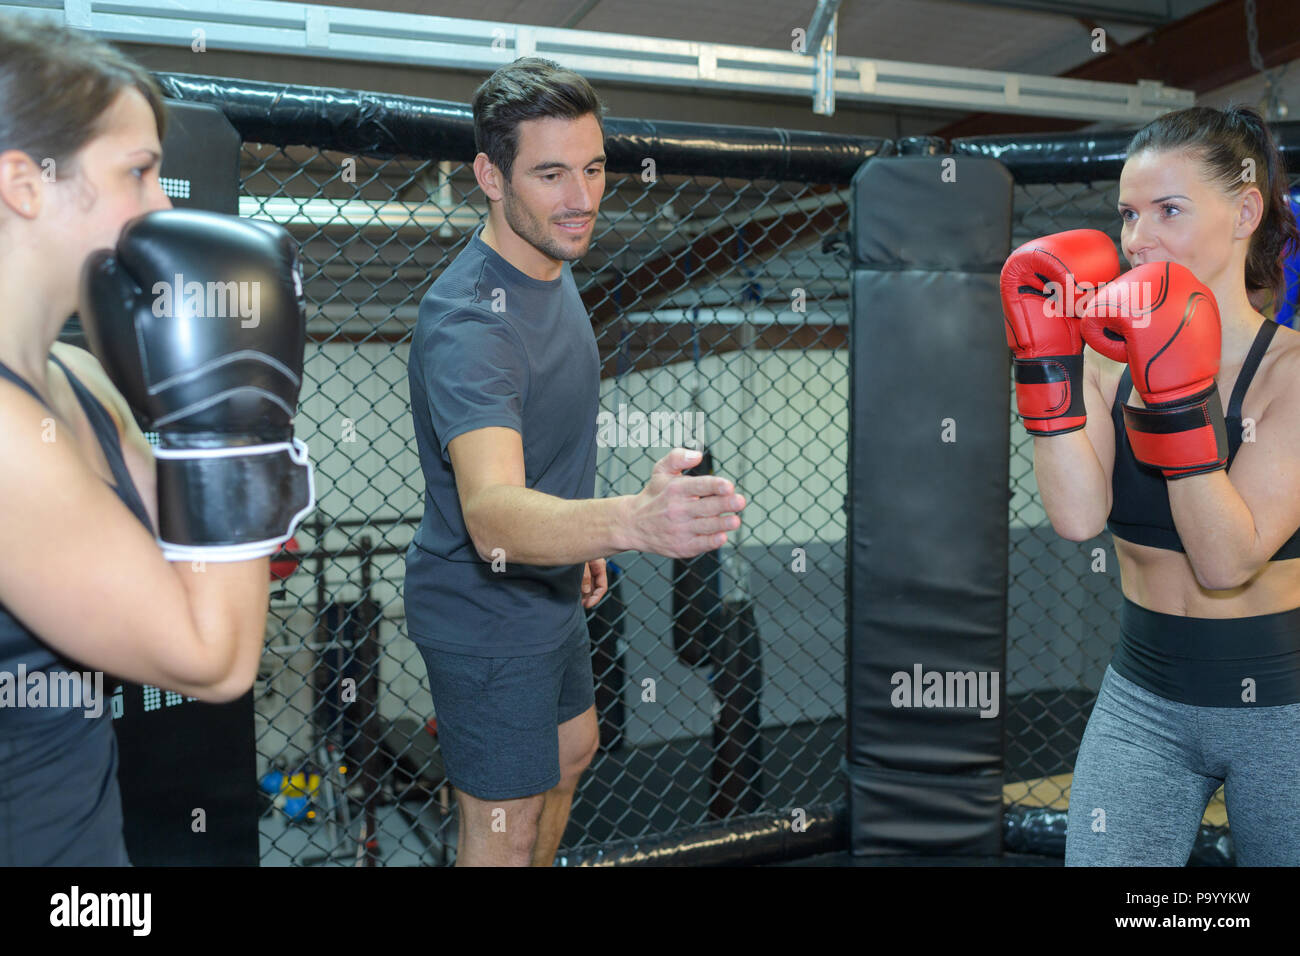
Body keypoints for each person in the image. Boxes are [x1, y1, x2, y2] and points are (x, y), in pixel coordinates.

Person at [405, 57, 747, 867]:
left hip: (548, 585)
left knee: (573, 750)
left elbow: (547, 448)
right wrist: (630, 520)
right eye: (551, 173)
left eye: (593, 168)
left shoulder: (551, 271)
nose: (583, 198)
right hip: (483, 609)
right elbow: (491, 510)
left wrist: (581, 537)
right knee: (500, 830)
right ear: (490, 175)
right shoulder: (470, 324)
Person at [0, 16, 311, 865]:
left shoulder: (82, 378)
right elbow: (212, 656)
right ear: (25, 183)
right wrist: (231, 413)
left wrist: (227, 409)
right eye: (138, 172)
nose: (164, 204)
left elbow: (193, 571)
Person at [1002, 105, 1300, 865]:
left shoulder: (1291, 375)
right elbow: (1076, 516)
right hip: (1144, 700)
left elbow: (1227, 561)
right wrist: (1050, 363)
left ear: (1243, 211)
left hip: (1284, 708)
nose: (1138, 240)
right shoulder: (1107, 362)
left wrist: (1175, 396)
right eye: (1129, 214)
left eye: (1169, 210)